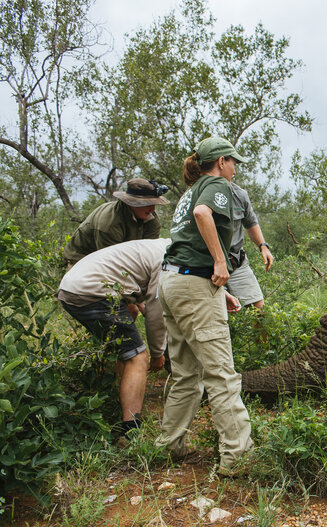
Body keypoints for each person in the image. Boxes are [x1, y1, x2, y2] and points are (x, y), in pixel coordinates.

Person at [156, 136, 252, 475]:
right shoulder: (215, 185)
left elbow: (187, 237)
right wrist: (219, 262)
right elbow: (203, 215)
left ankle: (169, 444)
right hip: (193, 283)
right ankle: (238, 458)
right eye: (233, 162)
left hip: (172, 282)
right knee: (221, 374)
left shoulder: (189, 191)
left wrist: (213, 288)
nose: (235, 168)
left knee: (185, 373)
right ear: (222, 161)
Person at [58, 238, 171, 440]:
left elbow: (139, 295)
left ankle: (113, 396)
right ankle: (130, 431)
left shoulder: (158, 246)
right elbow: (156, 313)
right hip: (91, 292)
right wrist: (157, 353)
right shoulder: (168, 258)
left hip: (72, 288)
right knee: (137, 357)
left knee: (128, 323)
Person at [63, 178, 170, 266]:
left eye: (154, 204)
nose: (153, 209)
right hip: (81, 261)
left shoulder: (151, 219)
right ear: (133, 203)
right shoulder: (109, 224)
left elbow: (148, 254)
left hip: (121, 260)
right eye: (148, 204)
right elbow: (109, 262)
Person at [226, 182, 274, 309]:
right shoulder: (202, 192)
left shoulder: (239, 194)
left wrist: (263, 246)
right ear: (221, 162)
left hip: (235, 261)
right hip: (208, 265)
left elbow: (251, 222)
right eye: (233, 163)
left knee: (259, 310)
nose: (235, 171)